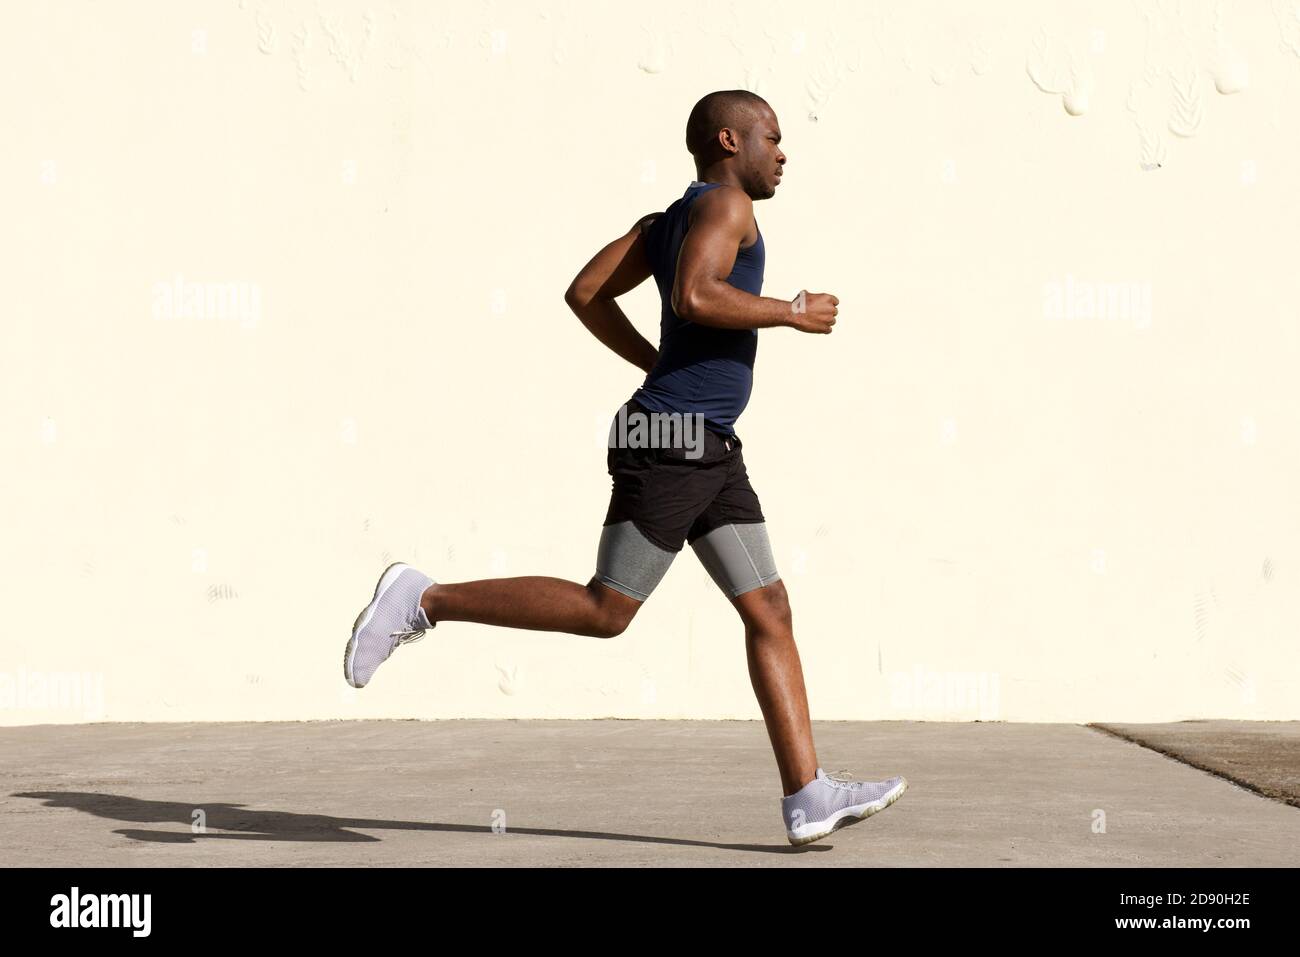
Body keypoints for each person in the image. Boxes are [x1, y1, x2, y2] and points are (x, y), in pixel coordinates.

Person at [342, 90, 906, 846]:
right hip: (675, 441)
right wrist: (790, 310)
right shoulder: (728, 209)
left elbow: (585, 292)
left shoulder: (666, 218)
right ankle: (425, 596)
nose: (783, 151)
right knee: (607, 608)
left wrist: (654, 359)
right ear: (730, 140)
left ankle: (807, 793)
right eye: (773, 136)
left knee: (769, 609)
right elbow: (697, 294)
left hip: (704, 442)